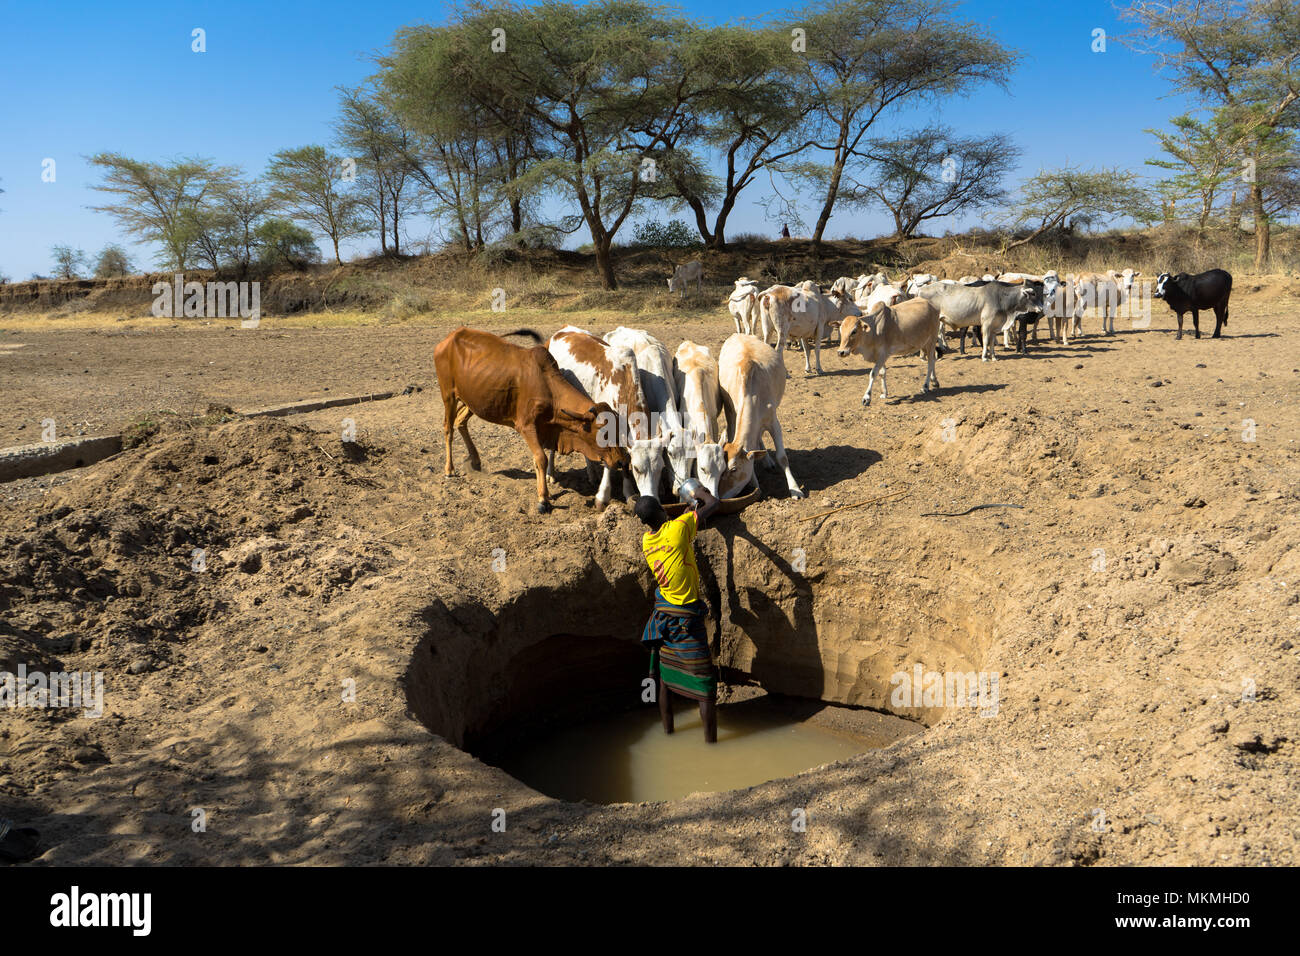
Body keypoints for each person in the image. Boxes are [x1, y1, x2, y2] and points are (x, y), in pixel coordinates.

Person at [634, 481, 720, 741]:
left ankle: (668, 733)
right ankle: (711, 744)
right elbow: (714, 503)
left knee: (665, 680)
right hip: (685, 619)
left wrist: (686, 511)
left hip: (665, 618)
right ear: (662, 510)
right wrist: (698, 493)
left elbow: (673, 526)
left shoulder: (647, 540)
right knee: (705, 684)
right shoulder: (679, 528)